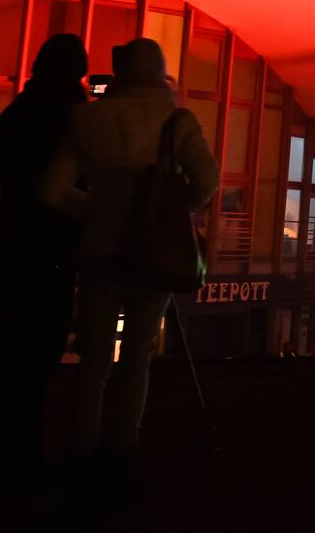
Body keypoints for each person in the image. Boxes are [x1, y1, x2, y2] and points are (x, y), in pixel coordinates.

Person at [40, 37, 218, 491]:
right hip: (154, 255)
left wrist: (98, 212)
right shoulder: (176, 121)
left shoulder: (87, 119)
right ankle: (123, 446)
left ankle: (81, 448)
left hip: (100, 253)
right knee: (138, 355)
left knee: (94, 358)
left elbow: (53, 191)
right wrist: (173, 214)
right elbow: (207, 180)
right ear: (160, 72)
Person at [0, 34, 90, 487]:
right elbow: (69, 186)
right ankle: (21, 461)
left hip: (19, 248)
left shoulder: (15, 116)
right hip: (54, 251)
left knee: (12, 358)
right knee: (37, 358)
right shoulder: (66, 120)